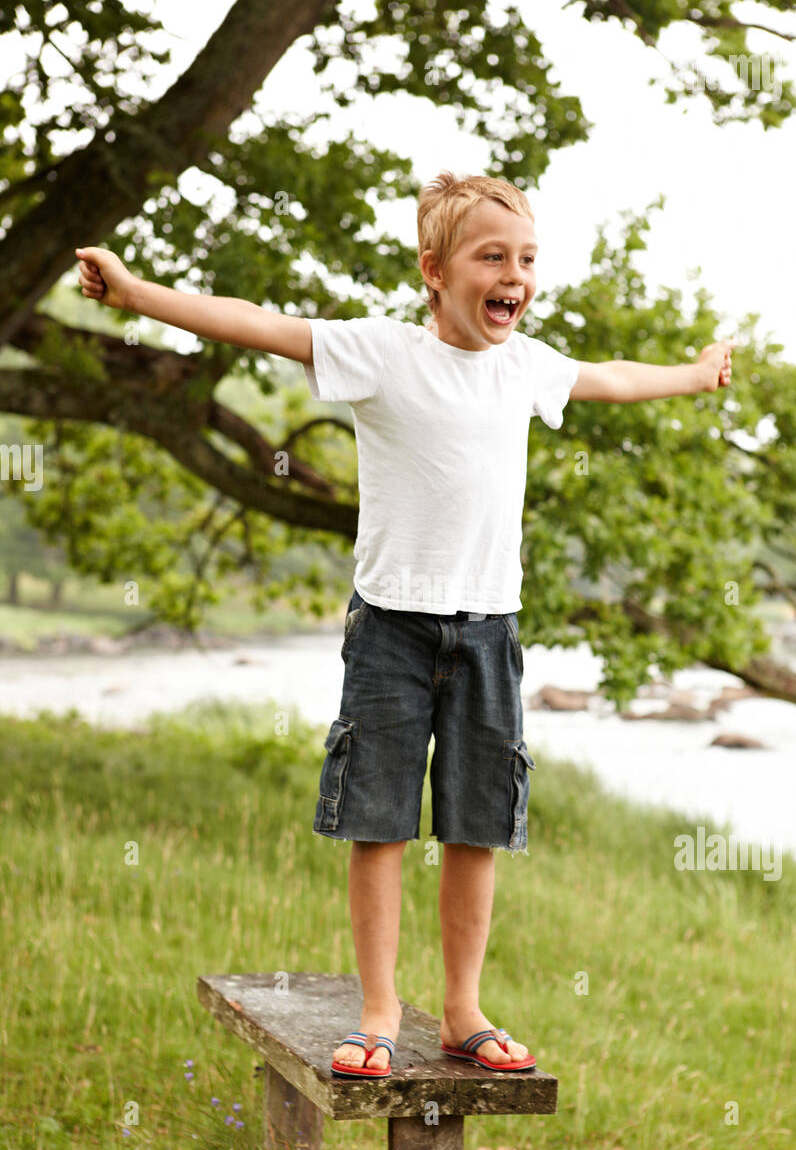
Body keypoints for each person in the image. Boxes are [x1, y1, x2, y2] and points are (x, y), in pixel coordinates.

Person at [75, 171, 733, 1079]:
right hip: (391, 628)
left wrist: (696, 375)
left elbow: (614, 379)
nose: (515, 276)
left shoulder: (526, 365)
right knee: (378, 822)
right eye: (492, 257)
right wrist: (139, 293)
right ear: (434, 269)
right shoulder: (379, 353)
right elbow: (255, 321)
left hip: (490, 631)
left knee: (476, 827)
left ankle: (461, 1008)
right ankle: (379, 1009)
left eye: (527, 260)